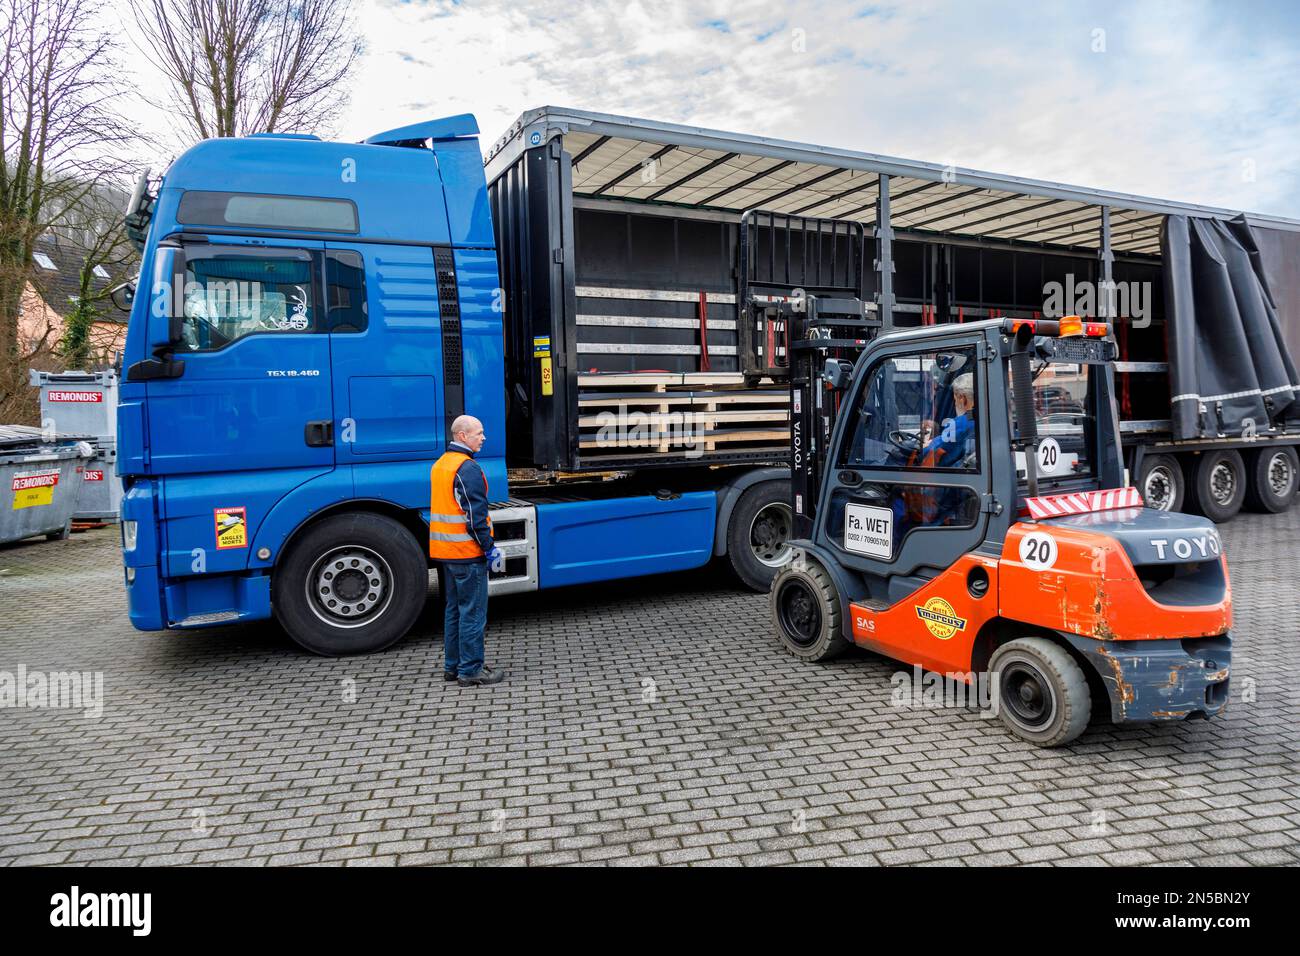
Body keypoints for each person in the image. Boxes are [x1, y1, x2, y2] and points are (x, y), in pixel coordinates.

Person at [429, 415, 507, 687]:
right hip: (467, 552)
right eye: (479, 433)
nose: (483, 437)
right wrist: (489, 548)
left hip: (446, 552)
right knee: (472, 613)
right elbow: (475, 515)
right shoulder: (467, 468)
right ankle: (471, 670)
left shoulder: (442, 464)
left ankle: (453, 667)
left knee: (454, 611)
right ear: (462, 436)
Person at [919, 372, 977, 468]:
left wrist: (924, 447)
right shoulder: (982, 419)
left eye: (955, 399)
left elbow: (931, 452)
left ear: (962, 399)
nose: (955, 403)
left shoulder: (960, 423)